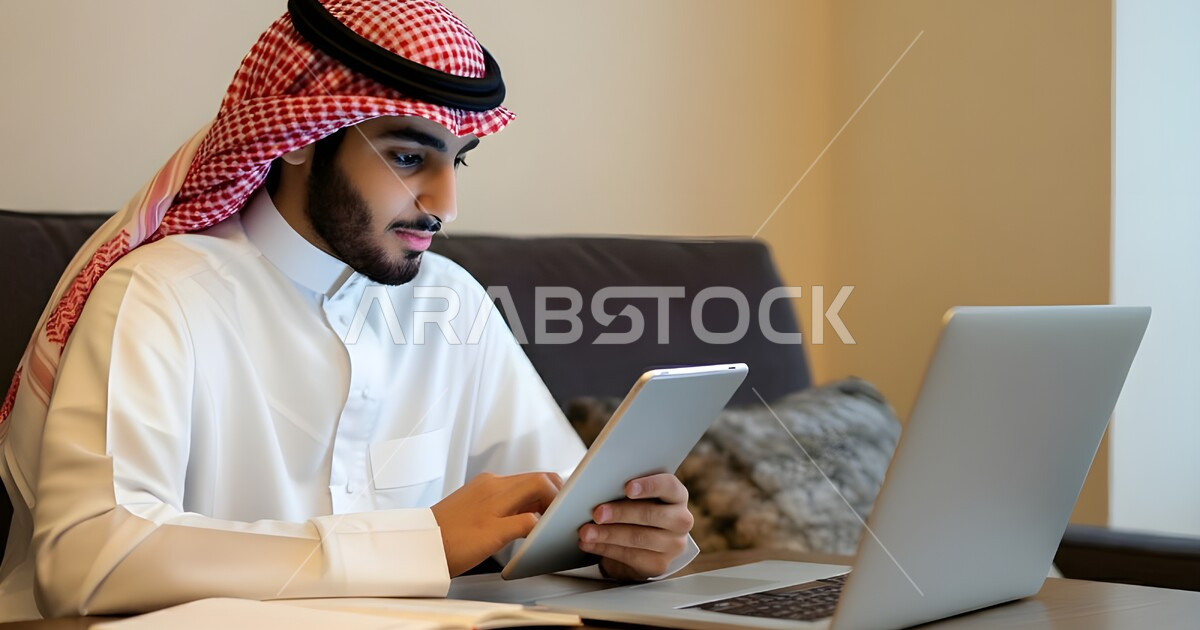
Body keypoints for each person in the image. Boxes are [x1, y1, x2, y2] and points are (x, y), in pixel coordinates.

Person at [0, 0, 696, 620]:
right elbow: (88, 559)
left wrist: (627, 539)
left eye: (460, 161)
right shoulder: (160, 294)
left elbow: (559, 509)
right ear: (301, 137)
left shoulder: (448, 300)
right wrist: (421, 541)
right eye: (406, 156)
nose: (446, 203)